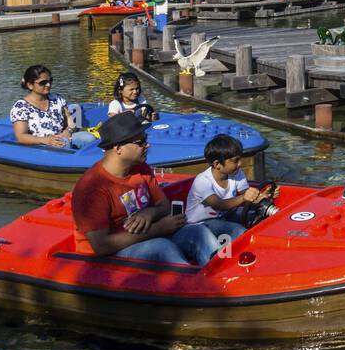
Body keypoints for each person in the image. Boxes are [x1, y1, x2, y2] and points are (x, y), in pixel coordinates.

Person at [70, 112, 212, 264]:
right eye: (141, 142)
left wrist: (149, 212)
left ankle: (220, 273)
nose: (147, 145)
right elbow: (101, 246)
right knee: (161, 248)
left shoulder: (140, 168)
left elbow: (164, 205)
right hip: (106, 257)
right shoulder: (92, 188)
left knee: (198, 232)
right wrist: (159, 228)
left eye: (146, 139)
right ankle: (193, 279)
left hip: (144, 236)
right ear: (119, 148)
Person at [183, 134, 271, 264]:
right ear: (217, 164)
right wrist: (244, 197)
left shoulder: (236, 173)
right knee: (237, 230)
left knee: (262, 216)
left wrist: (261, 196)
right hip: (202, 223)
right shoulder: (202, 181)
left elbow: (246, 195)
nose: (240, 164)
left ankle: (264, 254)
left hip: (226, 216)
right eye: (236, 160)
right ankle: (228, 264)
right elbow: (219, 204)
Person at [11, 65, 97, 149]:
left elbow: (70, 123)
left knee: (89, 138)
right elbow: (21, 137)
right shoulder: (21, 107)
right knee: (64, 144)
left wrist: (68, 131)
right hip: (40, 144)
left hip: (61, 137)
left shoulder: (57, 98)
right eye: (43, 82)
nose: (48, 85)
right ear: (30, 85)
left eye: (50, 81)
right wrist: (46, 140)